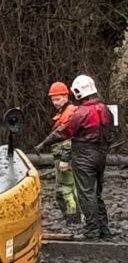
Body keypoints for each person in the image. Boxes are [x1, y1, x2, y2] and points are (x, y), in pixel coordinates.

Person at [35, 75, 114, 239]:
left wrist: (44, 144)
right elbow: (111, 134)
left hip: (84, 155)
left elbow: (64, 131)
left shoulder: (81, 112)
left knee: (86, 193)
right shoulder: (105, 109)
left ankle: (91, 230)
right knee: (97, 193)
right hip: (101, 154)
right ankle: (104, 229)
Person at [47, 81, 80, 225]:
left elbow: (71, 139)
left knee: (66, 189)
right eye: (53, 99)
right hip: (62, 156)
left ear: (66, 96)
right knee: (68, 188)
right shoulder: (64, 112)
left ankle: (73, 219)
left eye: (58, 98)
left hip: (65, 157)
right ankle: (74, 218)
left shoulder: (70, 113)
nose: (55, 102)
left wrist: (65, 158)